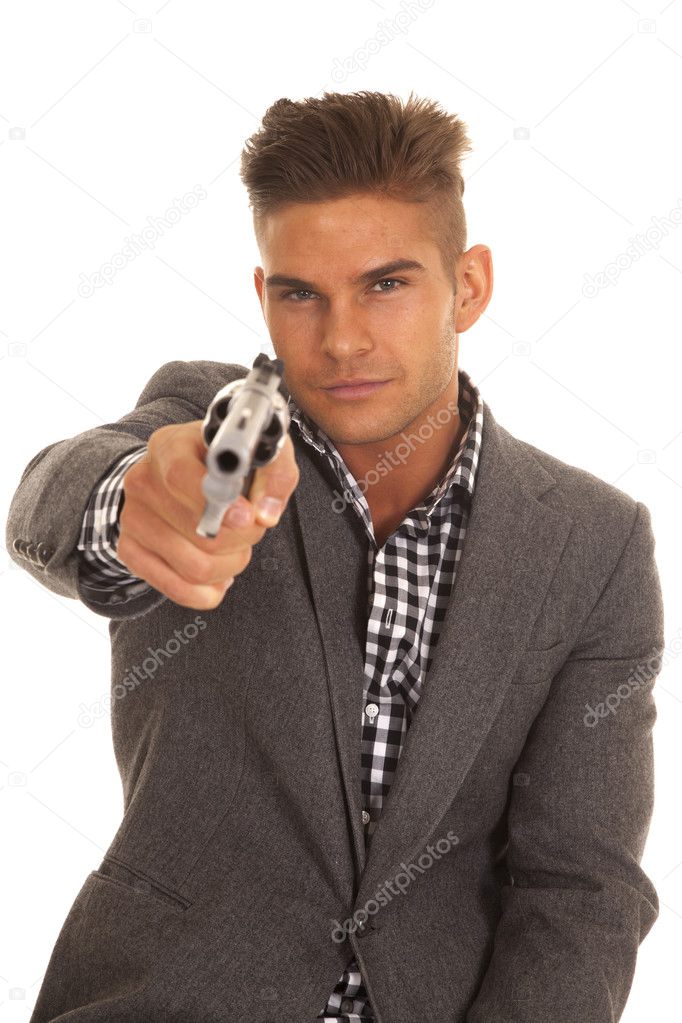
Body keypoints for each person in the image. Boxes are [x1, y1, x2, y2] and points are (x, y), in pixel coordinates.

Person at [6, 90, 665, 1023]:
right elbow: (55, 493)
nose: (342, 339)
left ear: (470, 285)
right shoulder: (205, 422)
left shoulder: (595, 542)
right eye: (300, 293)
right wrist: (127, 501)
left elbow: (582, 889)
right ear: (263, 296)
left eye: (385, 285)